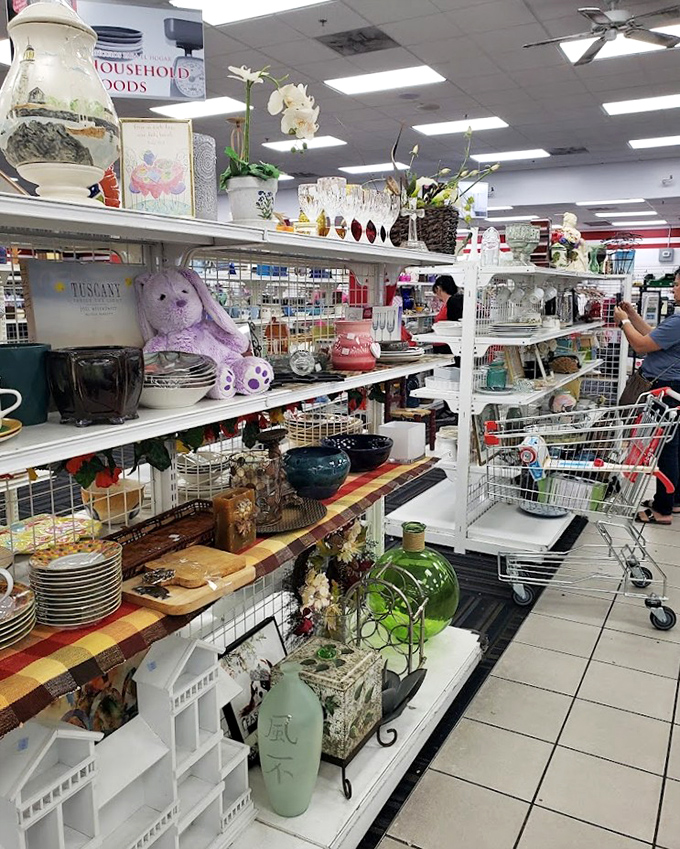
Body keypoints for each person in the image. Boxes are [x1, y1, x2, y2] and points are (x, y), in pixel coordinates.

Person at [613, 268, 680, 524]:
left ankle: (662, 509)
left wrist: (623, 322)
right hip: (674, 387)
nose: (673, 288)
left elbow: (641, 345)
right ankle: (673, 501)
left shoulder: (678, 321)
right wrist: (633, 315)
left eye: (676, 284)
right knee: (675, 446)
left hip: (666, 389)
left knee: (665, 449)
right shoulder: (676, 321)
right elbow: (653, 336)